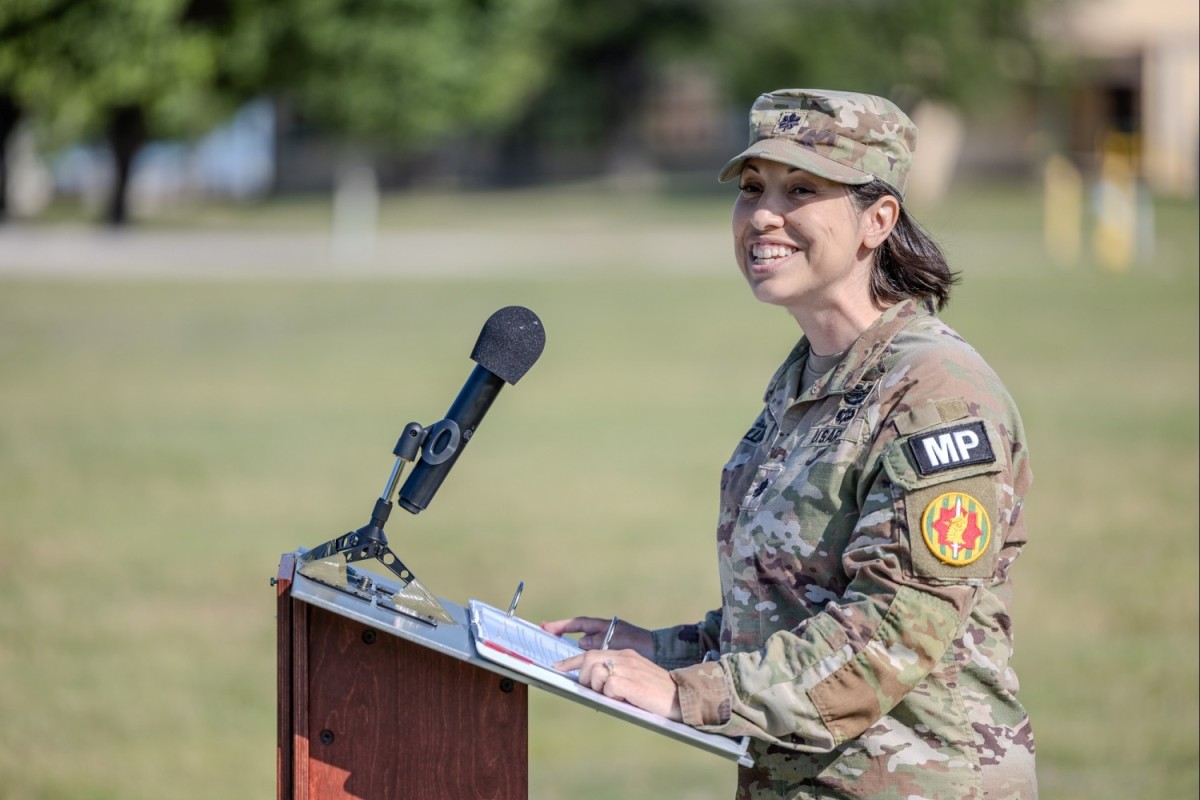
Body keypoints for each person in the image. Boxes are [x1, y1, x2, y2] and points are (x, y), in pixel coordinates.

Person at [545, 88, 1037, 799]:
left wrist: (688, 691)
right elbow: (790, 605)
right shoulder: (806, 381)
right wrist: (661, 649)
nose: (763, 216)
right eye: (751, 189)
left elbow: (891, 631)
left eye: (800, 189)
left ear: (878, 220)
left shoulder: (937, 393)